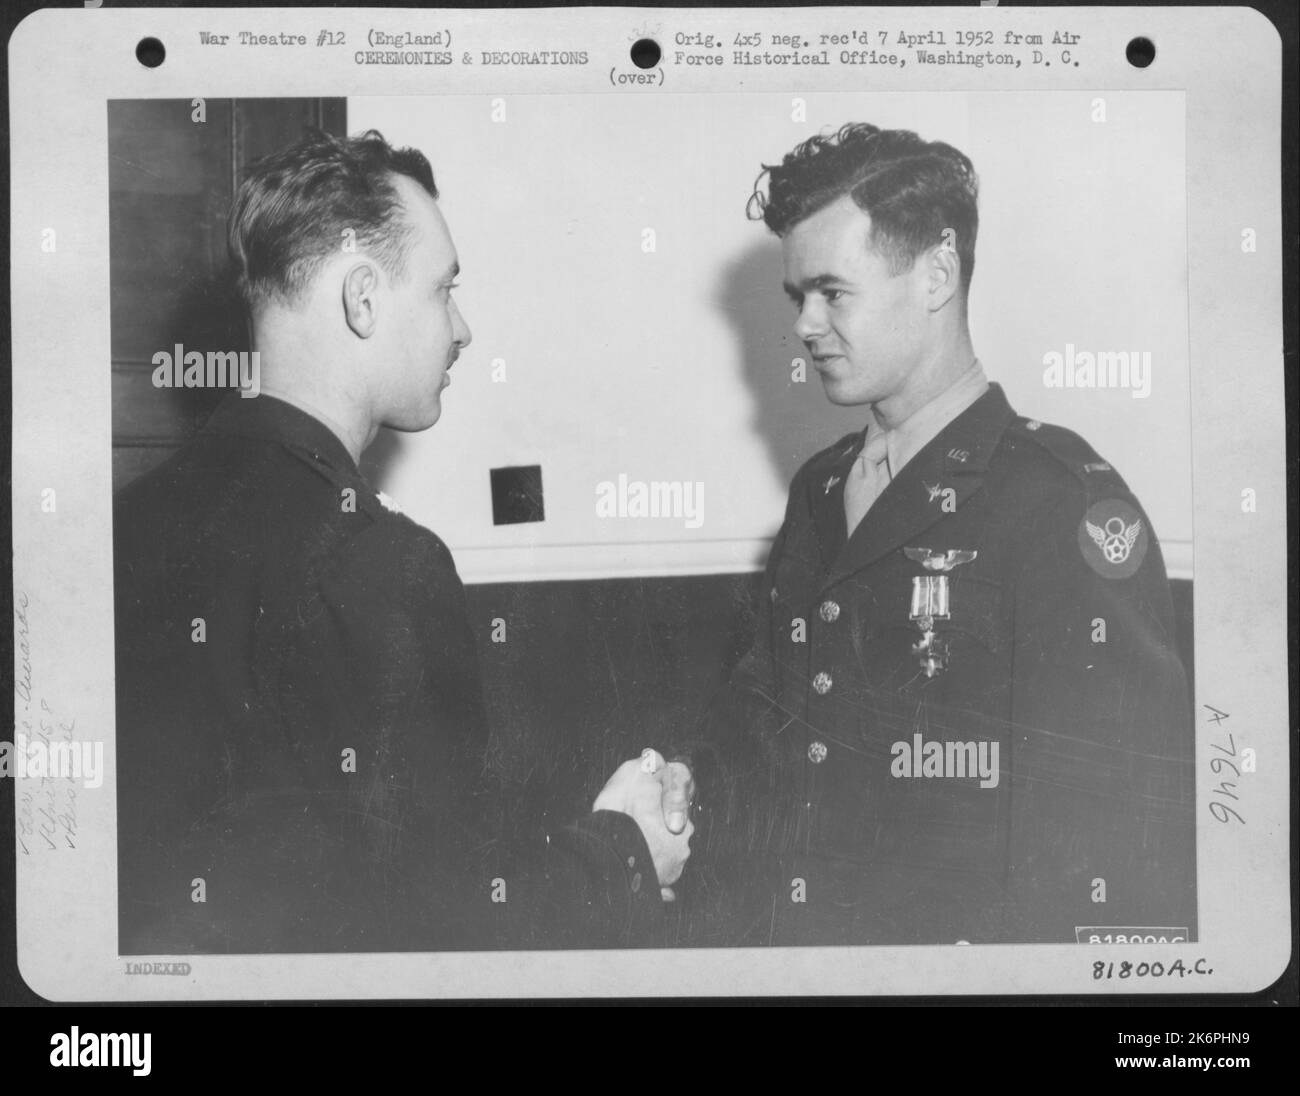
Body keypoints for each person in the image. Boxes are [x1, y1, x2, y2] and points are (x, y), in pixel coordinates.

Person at [114, 129, 692, 954]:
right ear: (363, 300)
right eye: (443, 289)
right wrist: (627, 850)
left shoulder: (132, 520)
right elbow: (451, 918)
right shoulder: (381, 564)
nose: (463, 329)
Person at [673, 123, 1196, 946]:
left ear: (936, 276)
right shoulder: (819, 489)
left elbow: (1112, 835)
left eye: (832, 292)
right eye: (796, 297)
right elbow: (764, 721)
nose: (806, 326)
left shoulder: (1058, 502)